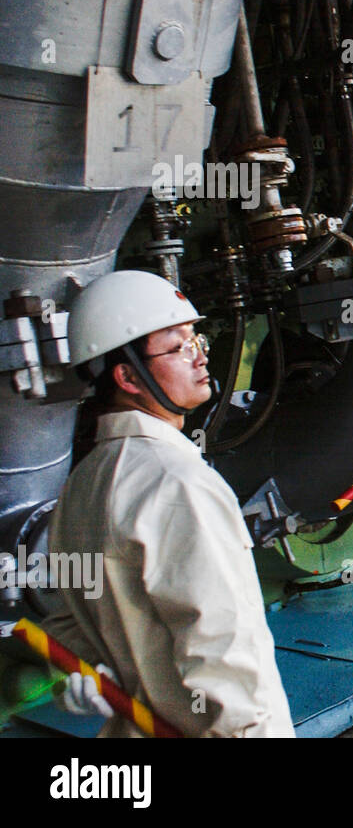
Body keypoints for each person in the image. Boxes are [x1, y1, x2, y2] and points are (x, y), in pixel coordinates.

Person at [45, 270, 295, 737]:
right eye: (179, 347)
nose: (200, 357)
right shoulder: (176, 484)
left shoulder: (82, 484)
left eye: (195, 339)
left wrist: (77, 672)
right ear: (127, 377)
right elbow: (225, 652)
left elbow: (68, 622)